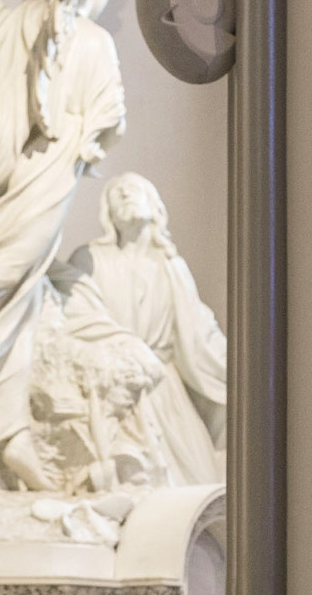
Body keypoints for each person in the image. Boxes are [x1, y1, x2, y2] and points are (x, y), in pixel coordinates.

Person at [52, 173, 227, 488]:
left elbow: (199, 332)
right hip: (116, 385)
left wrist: (236, 367)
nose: (125, 194)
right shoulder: (89, 258)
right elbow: (75, 315)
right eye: (116, 194)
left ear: (155, 206)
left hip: (164, 388)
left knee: (192, 483)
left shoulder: (171, 267)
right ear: (108, 214)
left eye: (133, 189)